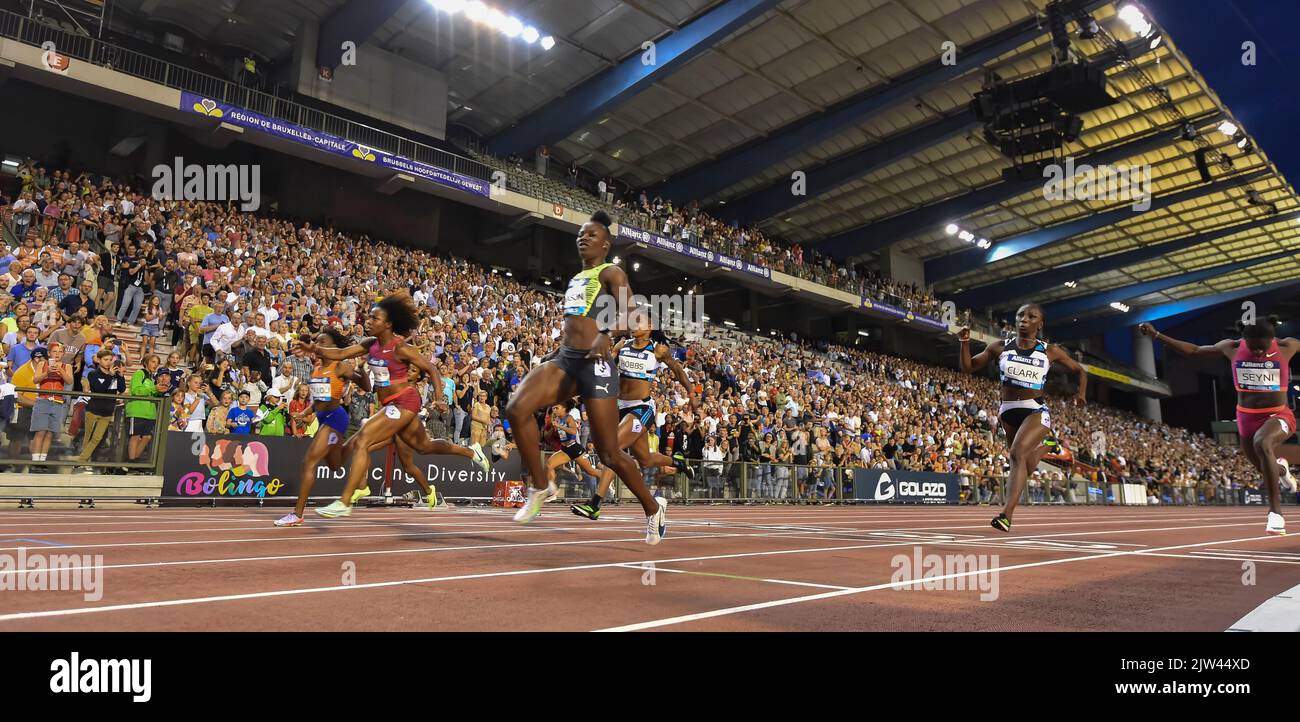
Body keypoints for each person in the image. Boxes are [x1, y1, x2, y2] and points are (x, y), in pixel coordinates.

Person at [503, 211, 666, 544]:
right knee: (516, 409)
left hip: (597, 364)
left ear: (605, 245)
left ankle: (652, 507)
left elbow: (631, 312)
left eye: (591, 235)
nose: (583, 238)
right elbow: (575, 325)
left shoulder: (612, 272)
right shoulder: (577, 278)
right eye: (580, 234)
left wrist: (607, 333)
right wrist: (555, 352)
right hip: (566, 359)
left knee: (609, 454)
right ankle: (539, 486)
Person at [300, 292, 490, 518]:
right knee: (424, 447)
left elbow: (432, 370)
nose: (368, 322)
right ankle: (472, 452)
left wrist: (440, 398)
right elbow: (341, 353)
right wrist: (314, 349)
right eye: (368, 318)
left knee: (363, 438)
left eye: (374, 319)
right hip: (391, 405)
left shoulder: (400, 348)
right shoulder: (371, 344)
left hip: (405, 402)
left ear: (388, 324)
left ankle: (346, 500)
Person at [1140, 317, 1299, 534]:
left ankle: (1275, 514)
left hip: (1277, 414)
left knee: (1262, 443)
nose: (1258, 354)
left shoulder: (1287, 346)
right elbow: (1194, 351)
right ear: (1244, 340)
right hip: (1246, 417)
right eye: (1254, 349)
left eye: (1263, 349)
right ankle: (1281, 470)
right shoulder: (1231, 348)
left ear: (1273, 339)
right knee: (1263, 466)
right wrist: (1157, 336)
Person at [274, 327, 444, 527]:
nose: (319, 346)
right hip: (323, 418)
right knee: (335, 464)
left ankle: (297, 514)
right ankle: (361, 475)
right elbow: (319, 400)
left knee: (309, 461)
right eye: (317, 342)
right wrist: (305, 413)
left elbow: (366, 387)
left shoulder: (341, 367)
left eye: (323, 343)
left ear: (333, 348)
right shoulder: (317, 368)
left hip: (335, 418)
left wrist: (361, 370)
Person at [958, 303, 1086, 533]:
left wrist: (1082, 394)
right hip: (1008, 409)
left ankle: (1006, 515)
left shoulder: (1050, 350)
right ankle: (1046, 448)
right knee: (1022, 463)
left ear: (1040, 324)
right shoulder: (999, 347)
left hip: (1035, 408)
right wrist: (964, 343)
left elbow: (1080, 371)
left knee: (1016, 454)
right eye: (1020, 315)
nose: (1023, 319)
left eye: (1030, 316)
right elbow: (968, 367)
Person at [572, 323, 698, 520]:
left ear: (649, 326)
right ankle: (677, 461)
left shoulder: (658, 350)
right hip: (620, 406)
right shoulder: (622, 345)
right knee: (645, 460)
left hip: (642, 407)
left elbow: (678, 371)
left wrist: (691, 393)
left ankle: (595, 503)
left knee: (612, 449)